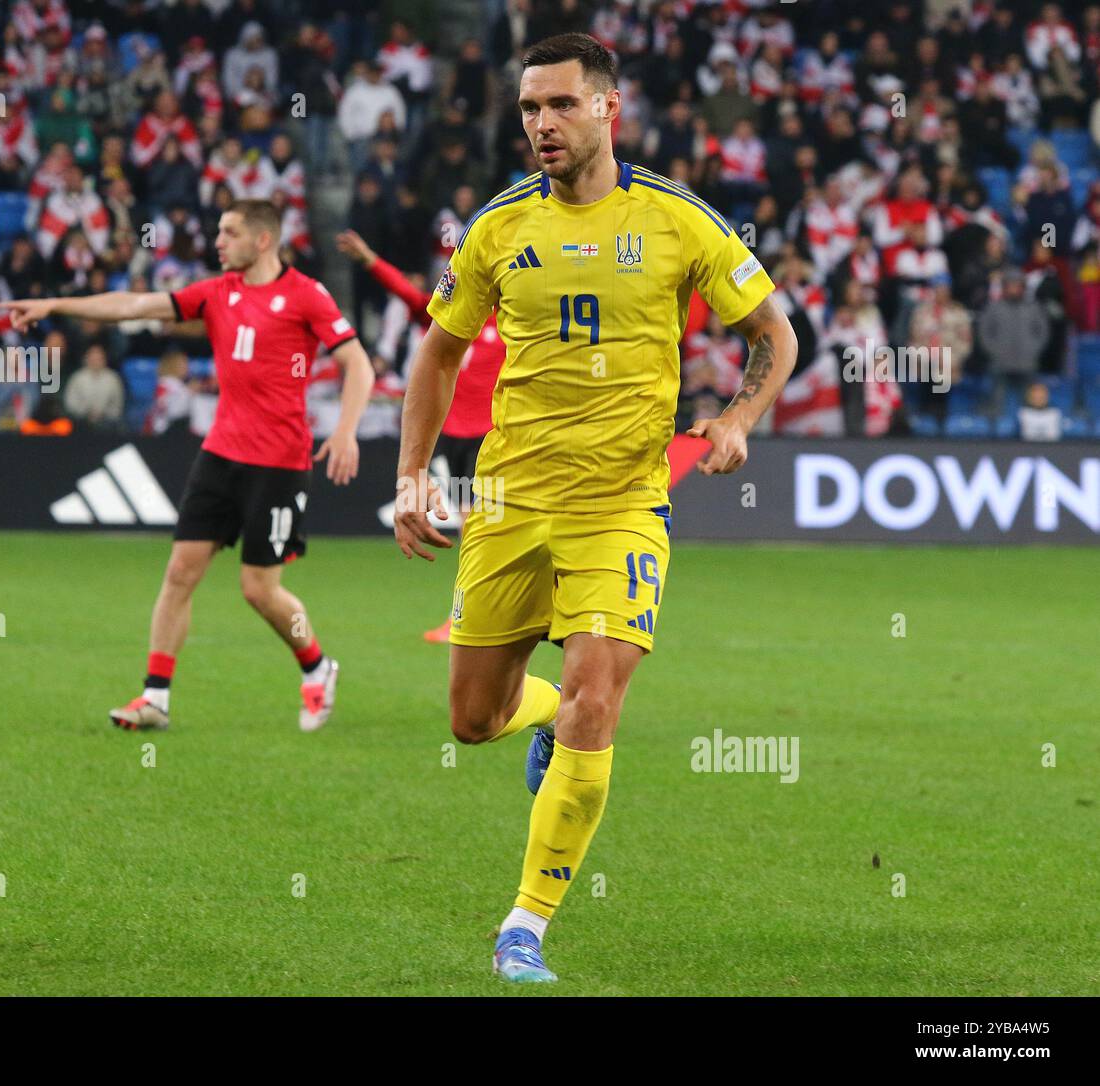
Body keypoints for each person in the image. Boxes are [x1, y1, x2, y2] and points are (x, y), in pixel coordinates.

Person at [393, 34, 796, 984]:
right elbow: (436, 356)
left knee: (597, 699)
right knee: (471, 722)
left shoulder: (673, 218)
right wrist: (413, 475)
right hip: (510, 498)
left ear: (609, 108)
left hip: (621, 503)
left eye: (562, 105)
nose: (542, 124)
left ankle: (525, 924)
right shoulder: (496, 228)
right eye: (531, 108)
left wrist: (738, 417)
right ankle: (534, 717)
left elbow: (772, 332)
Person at [0, 200, 375, 733]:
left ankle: (316, 667)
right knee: (179, 573)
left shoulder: (306, 295)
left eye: (230, 232)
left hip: (279, 464)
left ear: (263, 240)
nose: (217, 241)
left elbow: (356, 362)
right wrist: (56, 304)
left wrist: (345, 431)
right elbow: (132, 305)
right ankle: (155, 699)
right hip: (220, 454)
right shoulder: (215, 293)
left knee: (259, 589)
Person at [335, 227, 505, 644]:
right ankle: (471, 618)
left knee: (485, 527)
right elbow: (409, 295)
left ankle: (482, 618)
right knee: (476, 526)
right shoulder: (453, 318)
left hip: (493, 437)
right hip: (454, 438)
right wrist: (369, 259)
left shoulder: (515, 324)